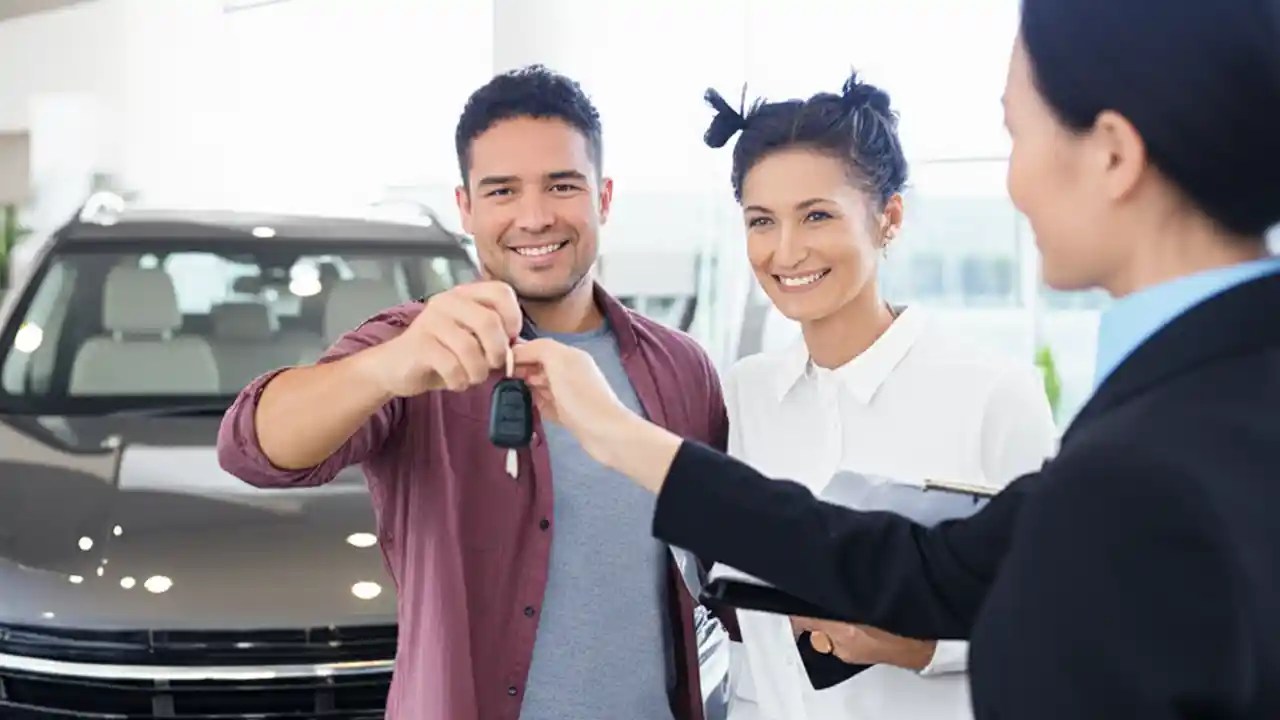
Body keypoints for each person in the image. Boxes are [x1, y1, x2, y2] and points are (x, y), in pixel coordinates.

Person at [507, 0, 1280, 716]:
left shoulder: (1145, 458)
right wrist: (616, 431)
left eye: (1017, 134)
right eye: (761, 221)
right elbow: (916, 565)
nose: (1013, 185)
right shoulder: (1173, 421)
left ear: (1112, 154)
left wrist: (918, 651)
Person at [216, 64, 729, 720]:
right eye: (502, 190)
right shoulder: (415, 346)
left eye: (562, 185)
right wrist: (387, 367)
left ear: (602, 197)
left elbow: (727, 557)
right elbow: (251, 449)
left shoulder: (681, 367)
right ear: (466, 207)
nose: (534, 217)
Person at [701, 72, 1056, 720]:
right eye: (762, 221)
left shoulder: (993, 394)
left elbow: (1059, 619)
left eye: (816, 215)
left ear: (889, 218)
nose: (786, 250)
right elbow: (753, 642)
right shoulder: (746, 395)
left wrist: (918, 645)